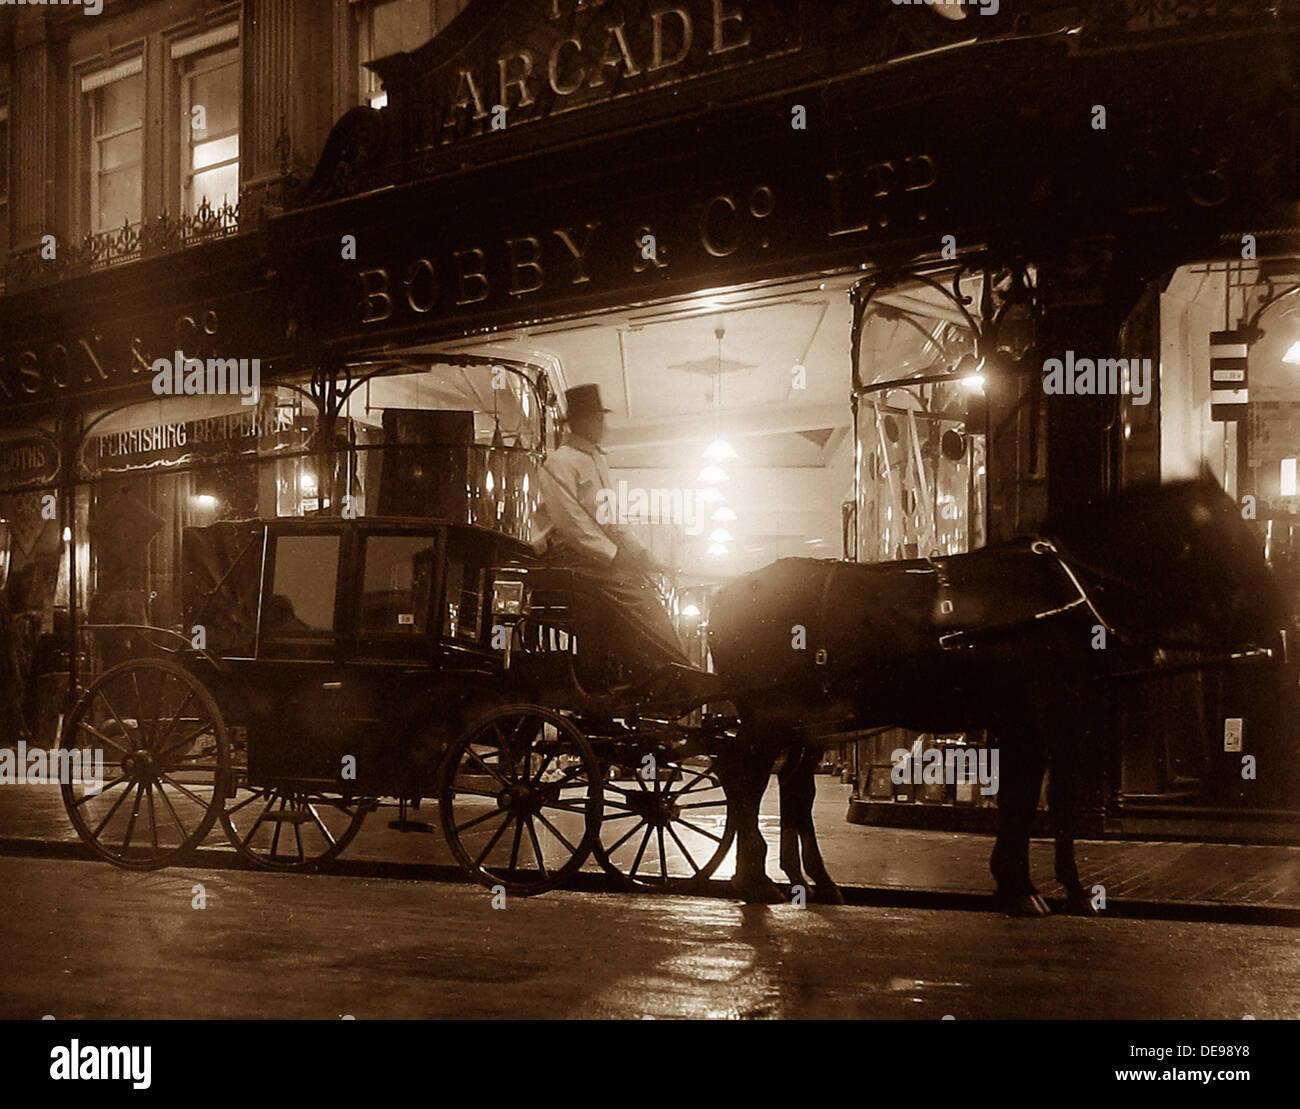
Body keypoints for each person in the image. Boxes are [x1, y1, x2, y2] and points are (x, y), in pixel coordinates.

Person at [534, 384, 688, 680]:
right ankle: (669, 670)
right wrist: (614, 556)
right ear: (578, 422)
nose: (601, 424)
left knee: (643, 589)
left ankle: (659, 670)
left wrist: (641, 555)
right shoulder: (559, 462)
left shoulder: (597, 459)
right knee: (635, 597)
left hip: (597, 557)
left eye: (601, 417)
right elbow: (571, 525)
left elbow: (612, 520)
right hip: (571, 556)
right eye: (596, 418)